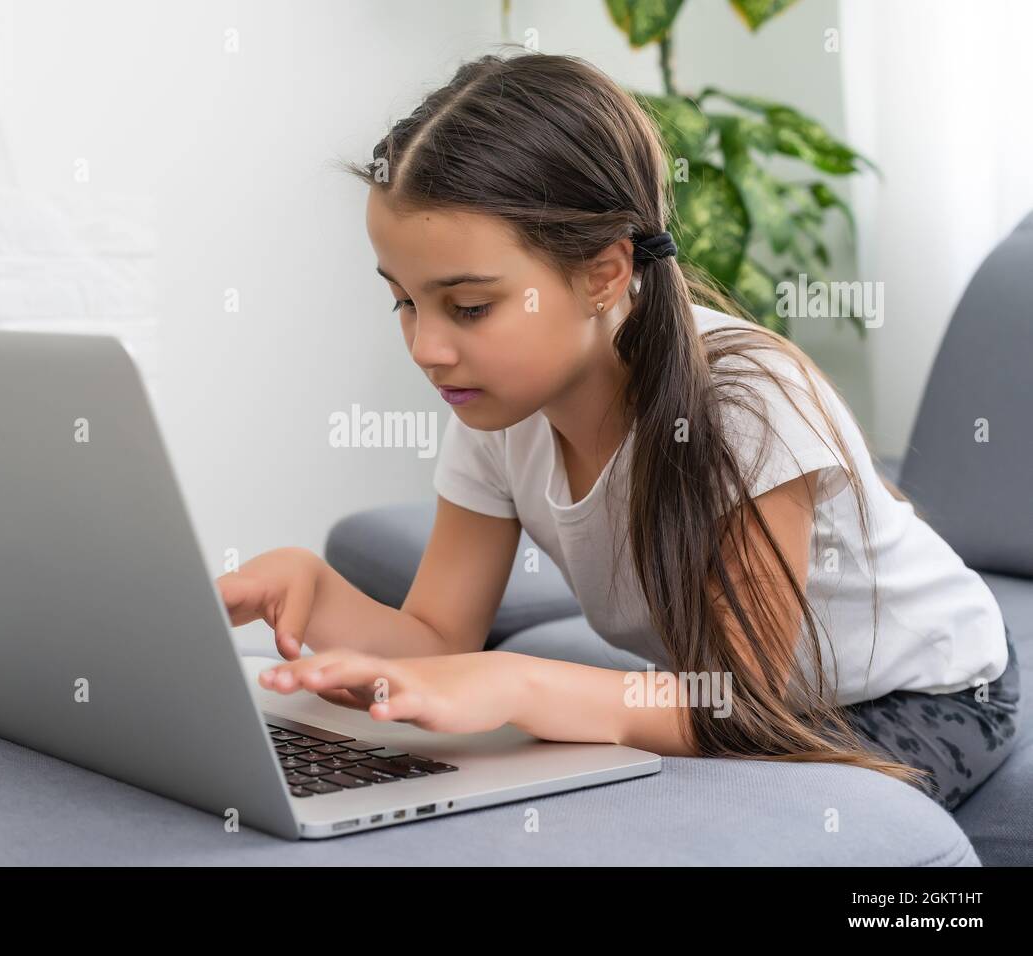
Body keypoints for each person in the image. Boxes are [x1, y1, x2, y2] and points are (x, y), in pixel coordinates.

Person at [217, 50, 1020, 811]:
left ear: (603, 273)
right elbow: (435, 636)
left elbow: (737, 705)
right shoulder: (497, 403)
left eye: (468, 307)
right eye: (404, 301)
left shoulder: (747, 403)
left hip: (921, 695)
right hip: (745, 696)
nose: (427, 347)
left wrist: (517, 683)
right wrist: (313, 592)